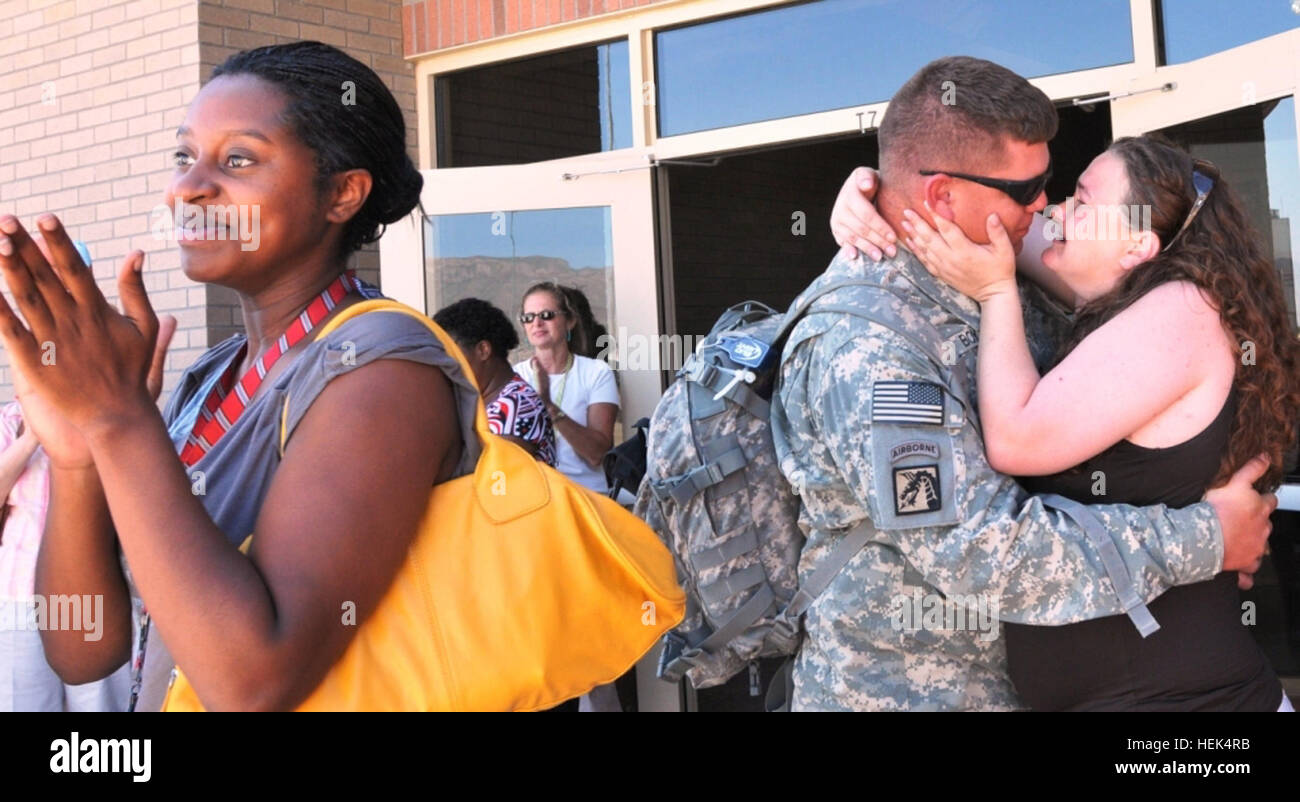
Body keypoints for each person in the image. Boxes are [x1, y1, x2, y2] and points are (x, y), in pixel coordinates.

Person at [769, 56, 1276, 711]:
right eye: (1025, 188)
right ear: (944, 196)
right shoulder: (870, 348)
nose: (1044, 205)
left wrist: (872, 186)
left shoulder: (996, 268)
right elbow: (985, 552)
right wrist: (1205, 538)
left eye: (1051, 182)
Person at [11, 41, 479, 712]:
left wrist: (118, 418)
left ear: (343, 193)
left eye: (238, 160)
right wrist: (78, 454)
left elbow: (252, 682)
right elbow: (85, 649)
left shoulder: (383, 367)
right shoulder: (210, 375)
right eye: (184, 156)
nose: (189, 187)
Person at [874, 136, 1298, 710]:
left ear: (1136, 245)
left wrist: (998, 291)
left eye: (1082, 200)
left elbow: (1016, 440)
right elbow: (987, 229)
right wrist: (868, 193)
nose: (1055, 210)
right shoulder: (1134, 298)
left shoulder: (1181, 310)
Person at [0, 401, 133, 711]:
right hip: (18, 594)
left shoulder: (106, 409)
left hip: (90, 593)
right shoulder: (10, 419)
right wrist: (33, 435)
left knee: (100, 712)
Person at [513, 282, 619, 494]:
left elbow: (597, 454)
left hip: (586, 497)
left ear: (569, 321)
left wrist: (550, 408)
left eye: (547, 315)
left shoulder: (596, 372)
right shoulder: (514, 377)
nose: (537, 323)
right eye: (528, 317)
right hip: (532, 497)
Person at [434, 298, 557, 466]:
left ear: (483, 350)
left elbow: (493, 476)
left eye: (451, 353)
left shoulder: (517, 405)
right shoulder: (484, 400)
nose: (445, 363)